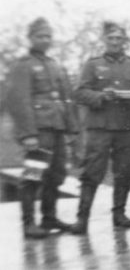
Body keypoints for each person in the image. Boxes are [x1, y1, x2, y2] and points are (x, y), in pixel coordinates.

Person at [71, 21, 130, 234]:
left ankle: (119, 213)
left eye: (119, 38)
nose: (115, 42)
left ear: (124, 41)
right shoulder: (92, 65)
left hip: (126, 127)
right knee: (92, 172)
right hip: (100, 128)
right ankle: (82, 218)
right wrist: (101, 96)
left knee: (124, 172)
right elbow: (79, 93)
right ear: (105, 41)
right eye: (111, 38)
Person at [5, 17, 77, 238]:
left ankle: (49, 218)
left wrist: (71, 129)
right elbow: (18, 100)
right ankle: (28, 224)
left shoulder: (54, 64)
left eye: (48, 36)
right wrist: (28, 134)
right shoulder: (23, 65)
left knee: (57, 174)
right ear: (30, 38)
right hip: (38, 131)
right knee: (33, 175)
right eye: (40, 36)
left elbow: (66, 99)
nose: (45, 40)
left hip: (56, 129)